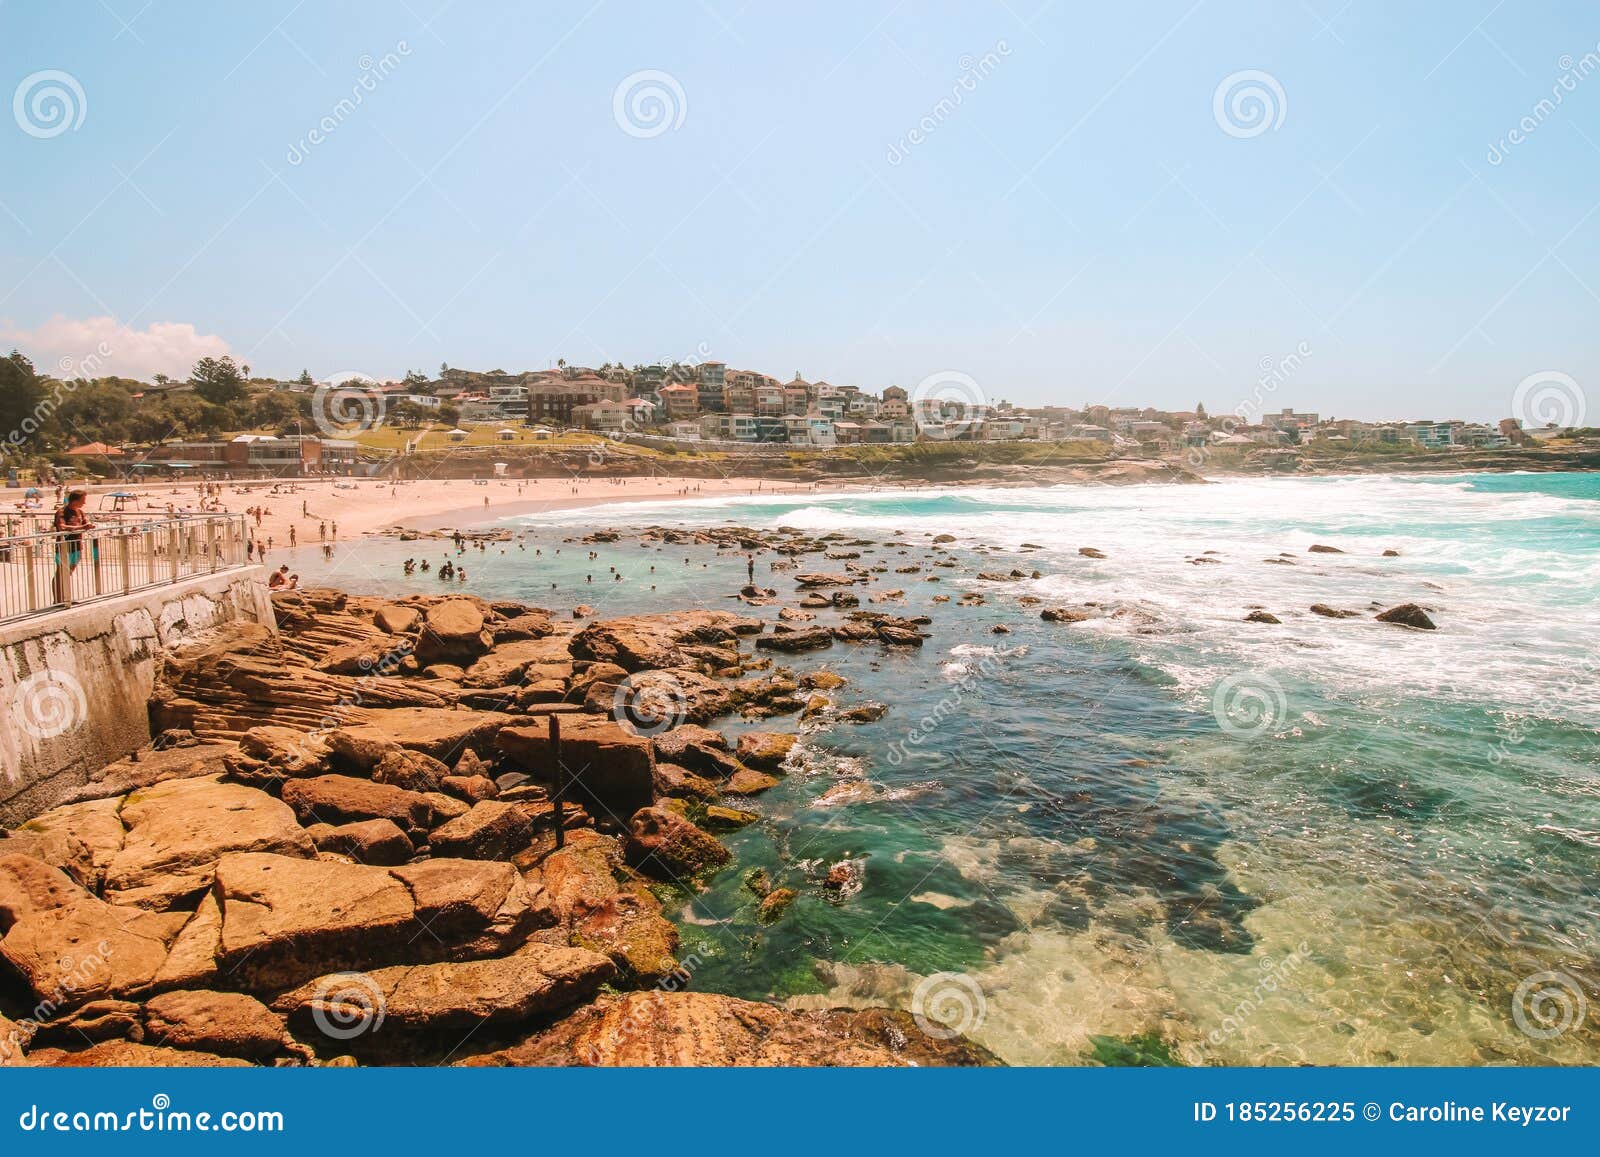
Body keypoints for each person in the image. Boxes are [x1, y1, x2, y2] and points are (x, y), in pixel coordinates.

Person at [51, 489, 95, 602]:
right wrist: (82, 527)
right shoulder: (62, 512)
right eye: (83, 500)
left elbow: (86, 523)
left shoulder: (80, 512)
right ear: (75, 500)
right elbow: (62, 527)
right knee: (60, 573)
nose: (84, 503)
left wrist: (89, 525)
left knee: (69, 572)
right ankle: (57, 599)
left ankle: (66, 597)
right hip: (64, 547)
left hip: (77, 547)